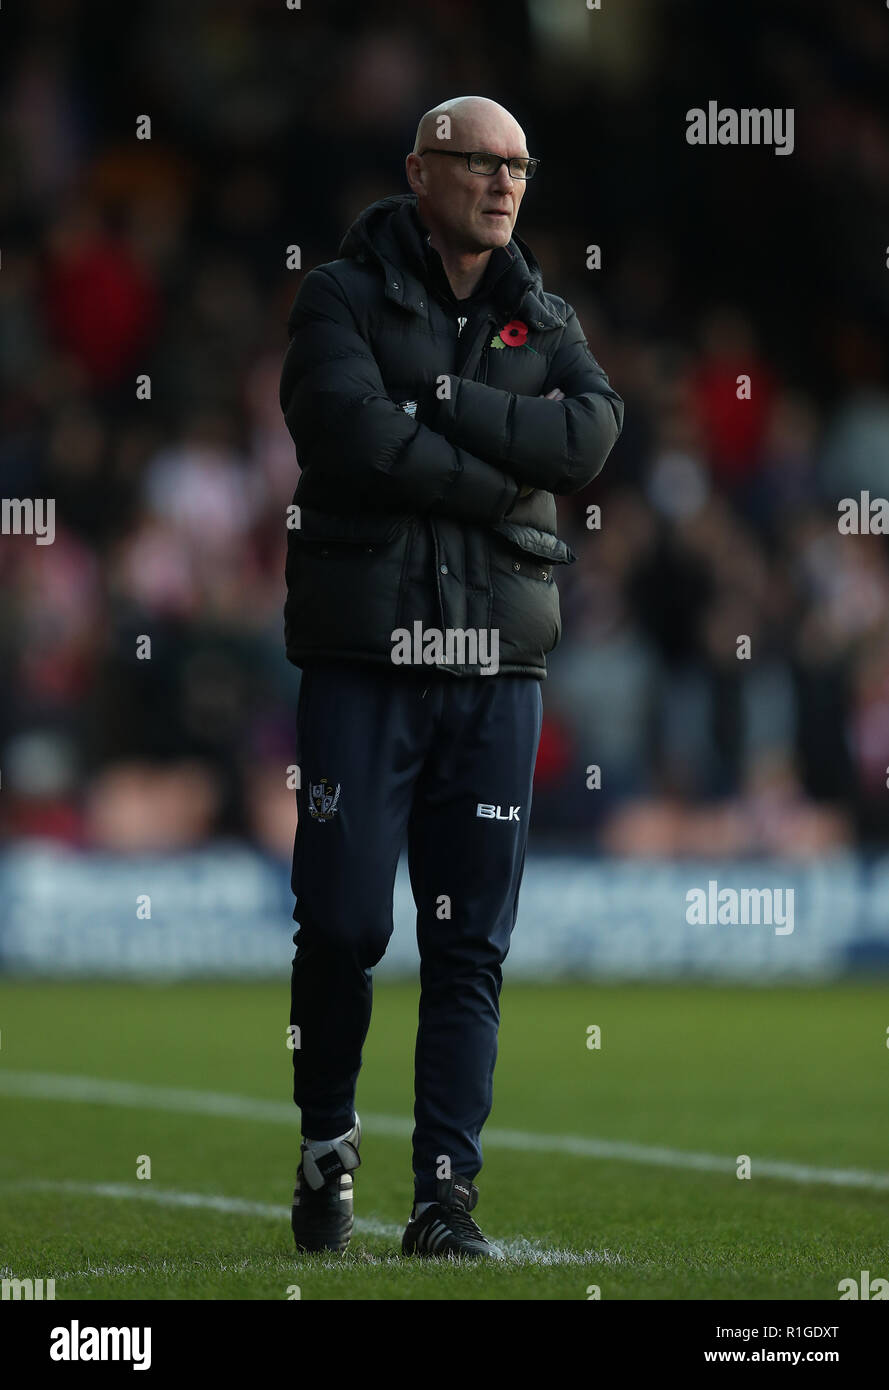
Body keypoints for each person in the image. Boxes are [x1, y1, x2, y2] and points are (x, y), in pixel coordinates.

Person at [280, 95, 623, 1260]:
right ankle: (328, 1138)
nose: (505, 182)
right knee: (339, 923)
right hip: (367, 660)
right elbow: (344, 431)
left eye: (521, 164)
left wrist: (445, 406)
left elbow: (589, 437)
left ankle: (444, 1199)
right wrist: (496, 479)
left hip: (496, 664)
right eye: (482, 162)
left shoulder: (539, 308)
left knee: (468, 941)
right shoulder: (337, 295)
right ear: (421, 169)